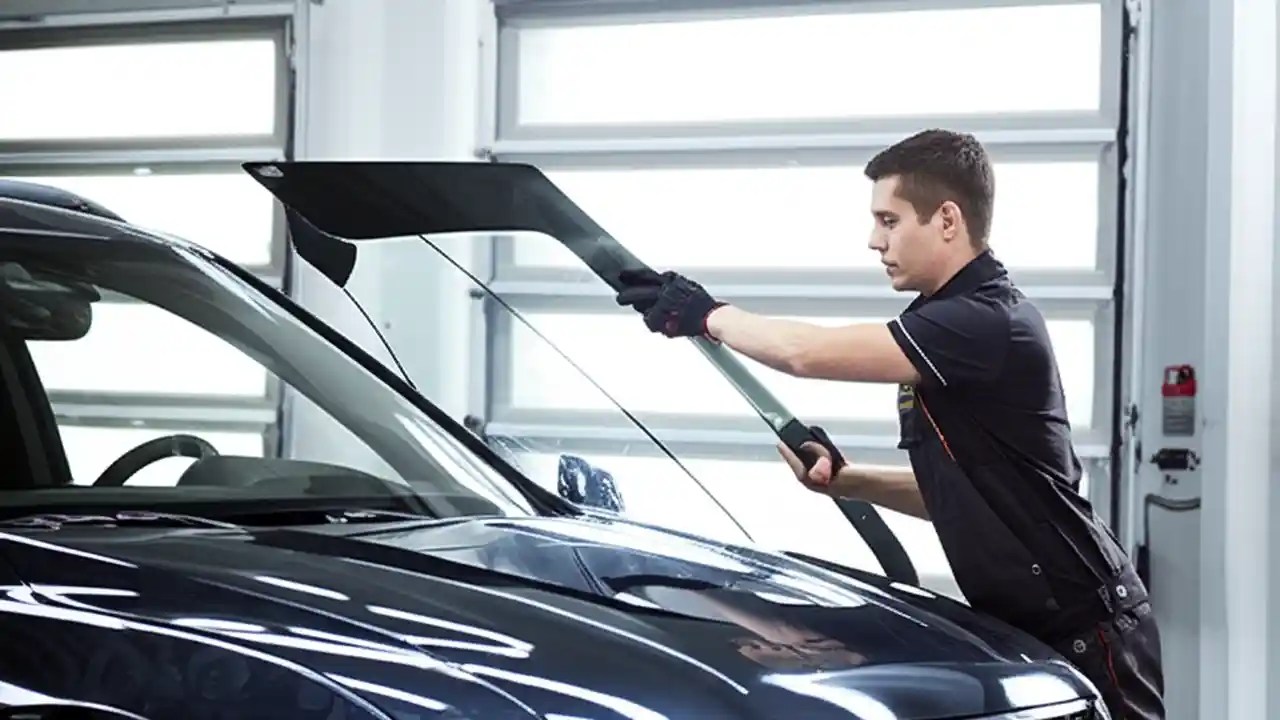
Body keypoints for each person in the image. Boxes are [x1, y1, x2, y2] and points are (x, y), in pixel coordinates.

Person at [613, 128, 1164, 719]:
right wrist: (845, 480)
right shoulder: (946, 325)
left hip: (1091, 631)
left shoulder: (984, 323)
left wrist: (707, 314)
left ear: (947, 219)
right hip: (1031, 627)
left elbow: (805, 353)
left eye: (890, 220)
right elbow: (958, 496)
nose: (874, 241)